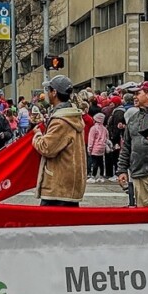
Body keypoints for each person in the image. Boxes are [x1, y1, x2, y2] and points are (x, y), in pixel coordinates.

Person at [32, 74, 86, 207]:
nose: (47, 93)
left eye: (49, 90)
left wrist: (37, 135)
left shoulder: (61, 121)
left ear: (54, 92)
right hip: (68, 184)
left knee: (49, 225)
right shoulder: (72, 116)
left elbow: (47, 148)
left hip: (58, 185)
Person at [86, 112, 111, 182]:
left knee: (95, 163)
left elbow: (91, 139)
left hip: (95, 148)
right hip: (102, 148)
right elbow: (107, 138)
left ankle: (93, 176)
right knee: (101, 163)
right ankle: (101, 176)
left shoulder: (93, 128)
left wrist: (89, 149)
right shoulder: (104, 129)